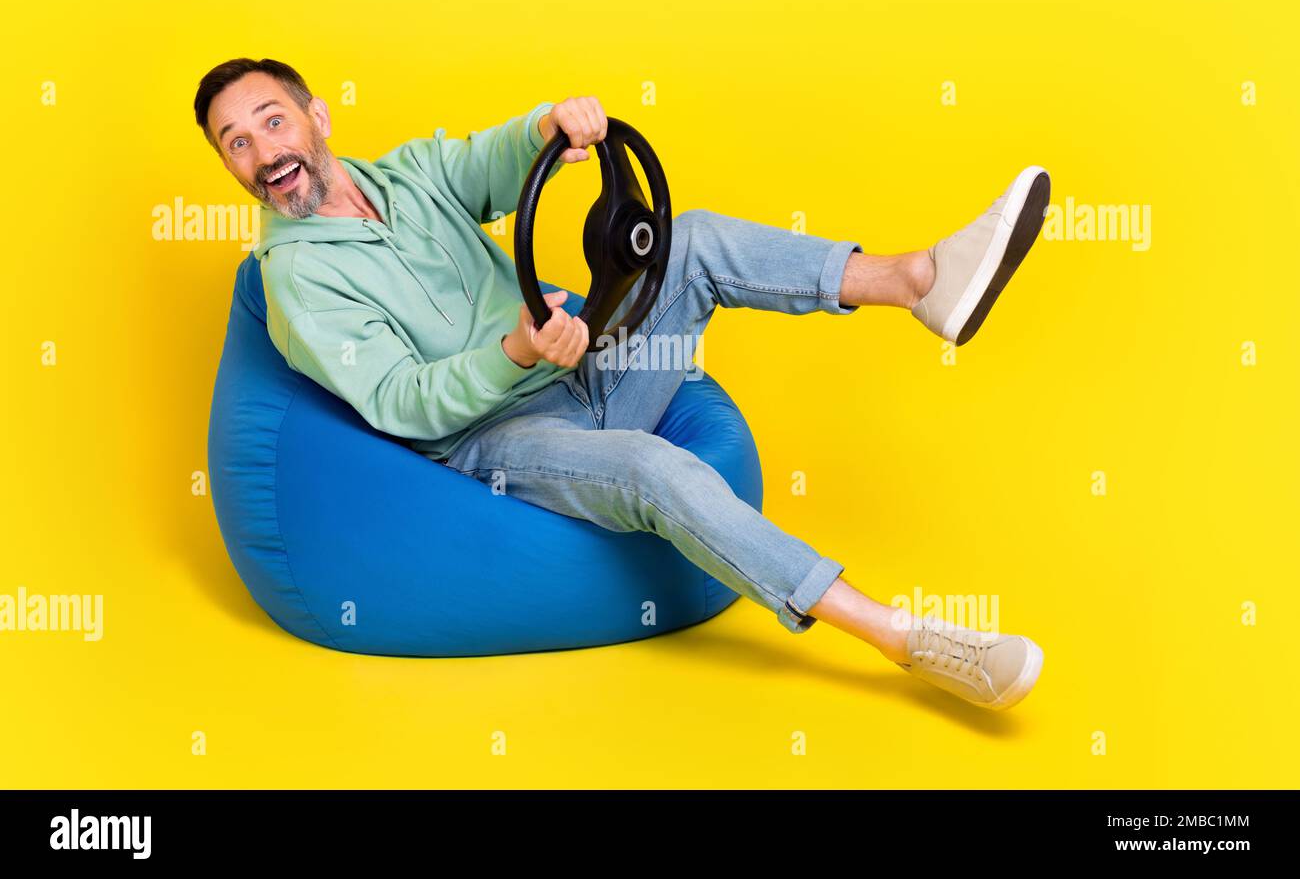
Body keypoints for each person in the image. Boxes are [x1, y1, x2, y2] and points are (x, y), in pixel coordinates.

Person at [194, 57, 1050, 711]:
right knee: (654, 467)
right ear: (231, 167)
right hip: (492, 447)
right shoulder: (296, 282)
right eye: (238, 143)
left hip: (578, 369)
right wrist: (516, 352)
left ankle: (919, 280)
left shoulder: (407, 175)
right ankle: (909, 639)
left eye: (273, 122)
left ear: (317, 116)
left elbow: (490, 165)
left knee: (695, 240)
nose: (267, 153)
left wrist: (550, 128)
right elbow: (403, 403)